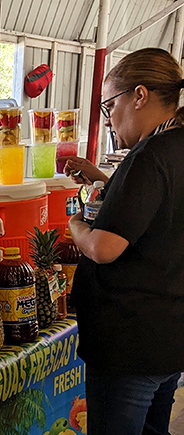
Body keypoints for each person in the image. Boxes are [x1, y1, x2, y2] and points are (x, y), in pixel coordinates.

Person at [65, 47, 184, 435]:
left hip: (130, 342)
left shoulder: (150, 155)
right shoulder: (175, 146)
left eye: (110, 104)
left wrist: (76, 224)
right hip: (169, 333)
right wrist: (103, 180)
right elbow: (159, 214)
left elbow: (105, 247)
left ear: (140, 95)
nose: (111, 118)